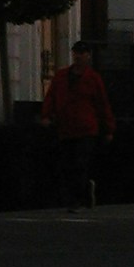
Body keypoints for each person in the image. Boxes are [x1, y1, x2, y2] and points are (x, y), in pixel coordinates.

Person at [41, 38, 113, 210]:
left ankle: (76, 199)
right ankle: (83, 191)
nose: (78, 56)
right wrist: (46, 115)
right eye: (76, 53)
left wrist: (109, 128)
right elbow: (51, 96)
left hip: (86, 129)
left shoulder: (93, 79)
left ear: (88, 56)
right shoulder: (61, 76)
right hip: (66, 128)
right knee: (67, 165)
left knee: (80, 164)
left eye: (82, 53)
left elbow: (103, 104)